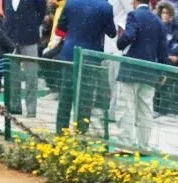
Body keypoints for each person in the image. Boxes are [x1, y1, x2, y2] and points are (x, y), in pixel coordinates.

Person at [115, 0, 169, 152]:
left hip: (131, 67)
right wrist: (163, 71)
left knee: (126, 106)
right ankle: (144, 145)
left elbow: (129, 36)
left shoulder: (133, 15)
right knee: (145, 108)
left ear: (134, 2)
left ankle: (126, 144)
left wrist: (120, 42)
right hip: (149, 69)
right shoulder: (158, 21)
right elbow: (163, 49)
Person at [54, 0, 116, 132]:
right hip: (91, 55)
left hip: (70, 53)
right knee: (85, 97)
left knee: (65, 95)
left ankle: (60, 131)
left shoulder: (70, 3)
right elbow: (112, 32)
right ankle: (81, 131)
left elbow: (60, 27)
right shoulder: (106, 7)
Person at [4, 0, 45, 117]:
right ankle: (14, 107)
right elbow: (6, 11)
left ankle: (31, 110)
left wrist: (29, 25)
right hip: (10, 37)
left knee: (31, 74)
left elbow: (41, 13)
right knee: (12, 75)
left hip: (30, 38)